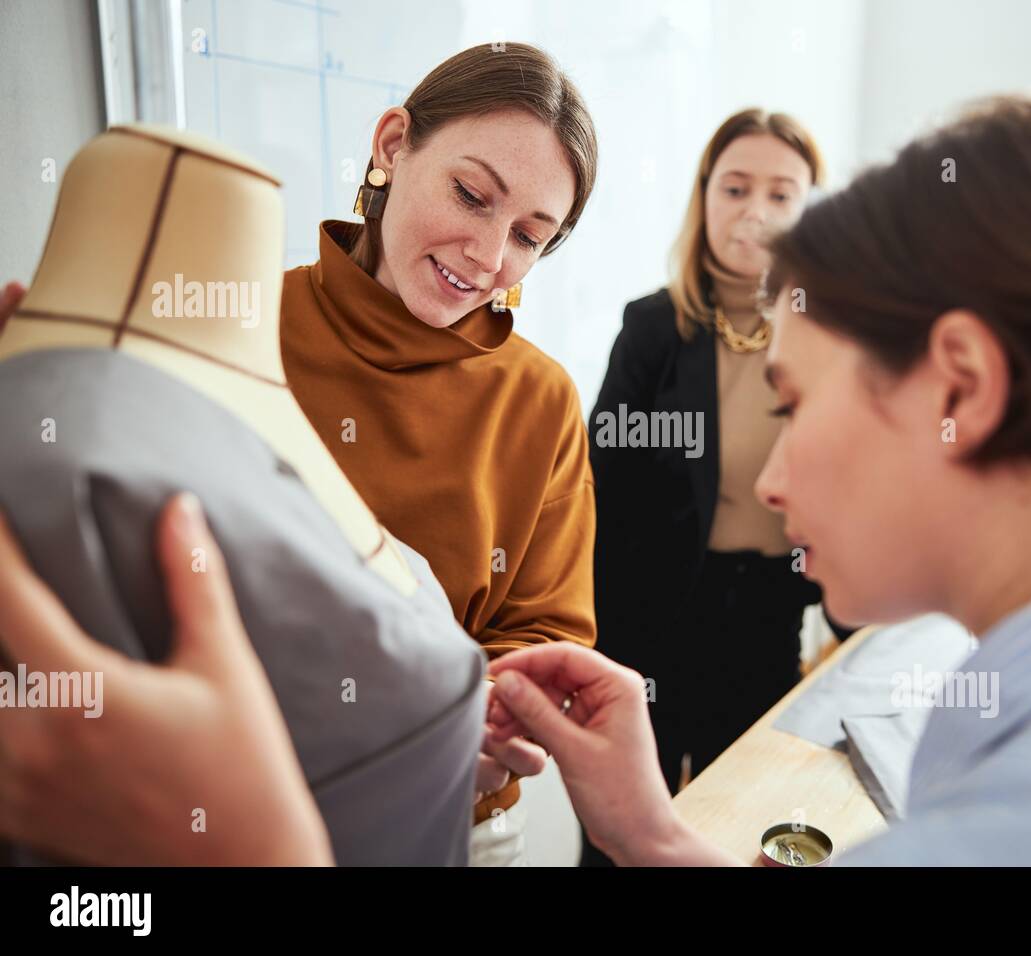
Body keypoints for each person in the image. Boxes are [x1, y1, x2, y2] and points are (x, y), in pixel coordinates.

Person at [3, 96, 1031, 865]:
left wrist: (252, 847)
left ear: (958, 389)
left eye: (793, 405)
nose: (773, 478)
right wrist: (661, 838)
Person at [1, 42, 601, 866]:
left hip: (451, 810)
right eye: (470, 194)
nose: (489, 256)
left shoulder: (541, 400)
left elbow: (543, 633)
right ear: (393, 146)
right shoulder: (228, 329)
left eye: (532, 236)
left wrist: (493, 721)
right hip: (176, 803)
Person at [589, 109, 835, 814]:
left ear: (809, 209)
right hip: (649, 630)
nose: (755, 211)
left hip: (766, 623)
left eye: (782, 193)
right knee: (623, 841)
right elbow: (596, 490)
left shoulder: (829, 338)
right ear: (704, 198)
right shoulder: (652, 329)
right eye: (734, 188)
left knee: (742, 829)